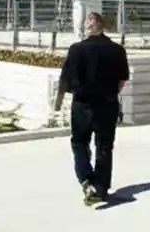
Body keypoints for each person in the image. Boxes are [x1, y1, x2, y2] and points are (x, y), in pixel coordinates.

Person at [58, 11, 130, 206]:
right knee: (104, 146)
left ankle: (85, 178)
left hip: (82, 103)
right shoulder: (117, 50)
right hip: (107, 103)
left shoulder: (76, 50)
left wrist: (59, 102)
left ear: (88, 27)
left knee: (79, 142)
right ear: (101, 25)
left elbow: (66, 80)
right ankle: (101, 187)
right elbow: (122, 80)